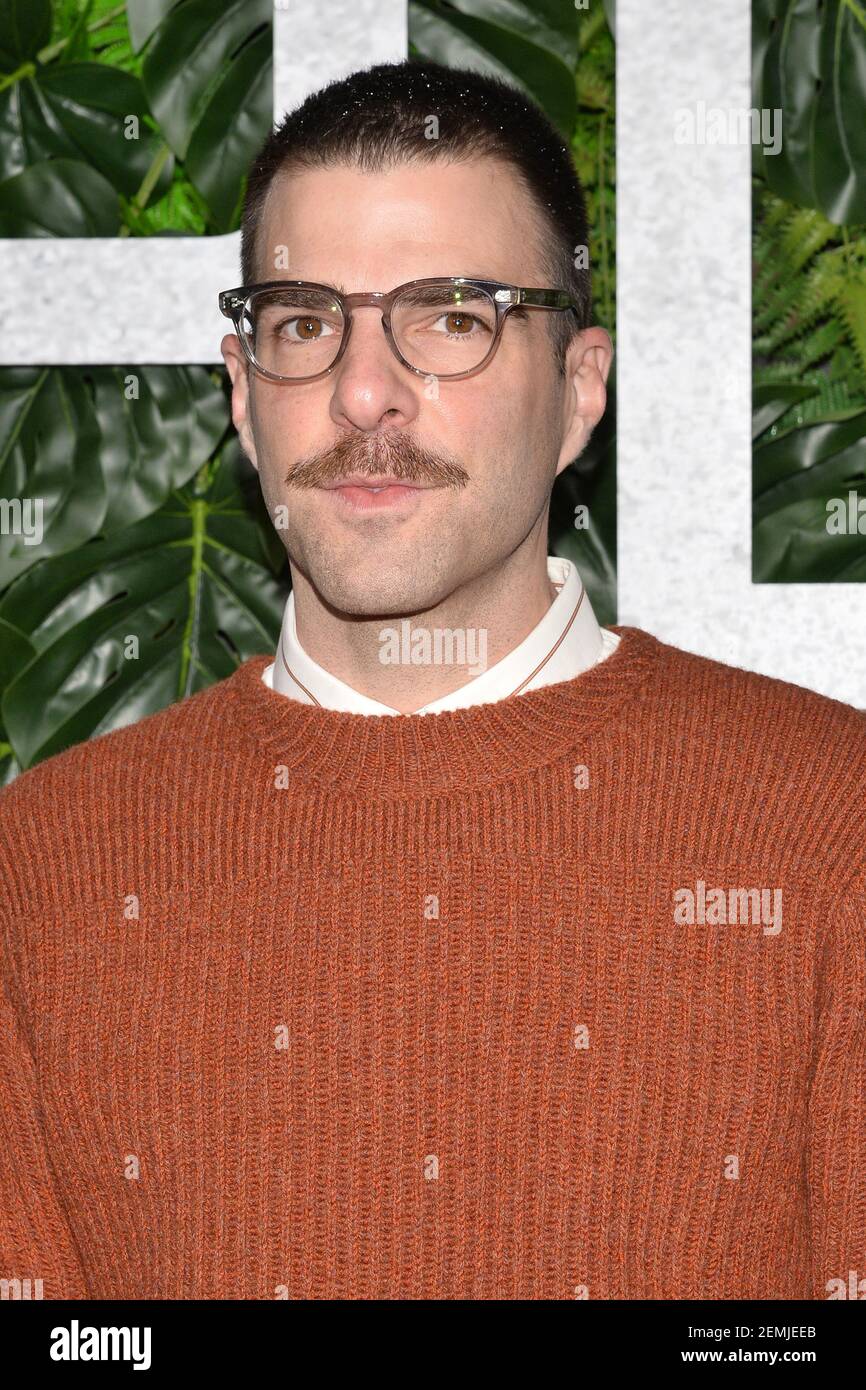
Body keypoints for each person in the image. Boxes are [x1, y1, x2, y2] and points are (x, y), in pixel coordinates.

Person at [0, 59, 863, 1302]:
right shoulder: (43, 871)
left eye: (451, 315)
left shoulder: (833, 825)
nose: (363, 392)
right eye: (304, 320)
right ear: (241, 396)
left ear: (578, 394)